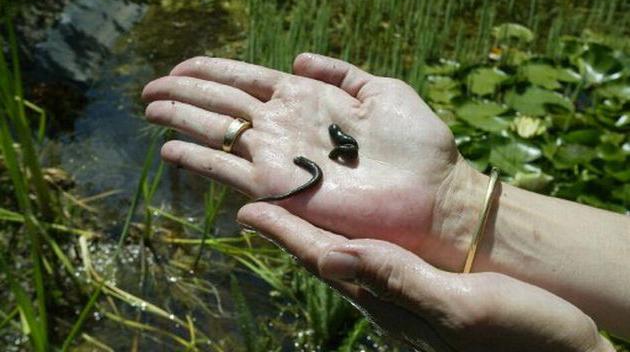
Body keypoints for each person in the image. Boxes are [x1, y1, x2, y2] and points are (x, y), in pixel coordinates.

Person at [142, 53, 628, 351]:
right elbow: (340, 148)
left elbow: (340, 149)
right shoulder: (339, 145)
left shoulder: (341, 147)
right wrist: (458, 200)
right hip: (330, 163)